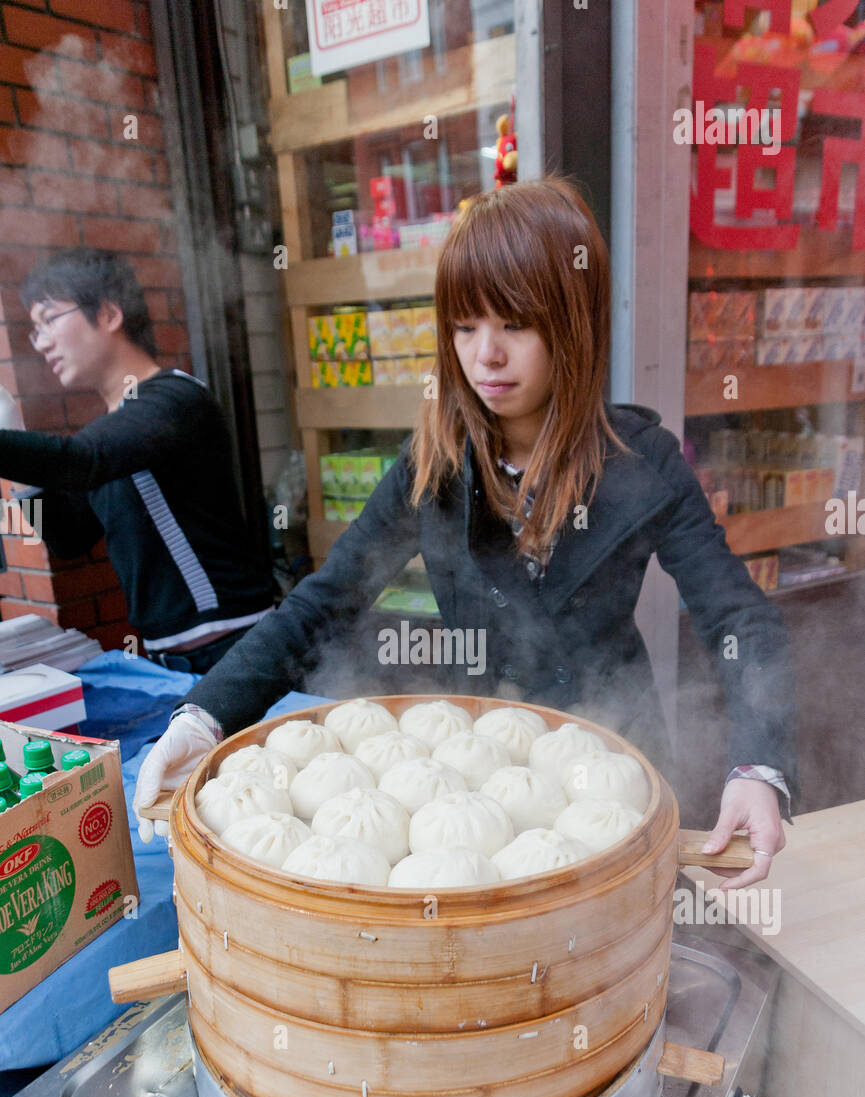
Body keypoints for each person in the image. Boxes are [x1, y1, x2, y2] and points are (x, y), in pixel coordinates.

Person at [133, 177, 796, 887]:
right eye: (464, 325)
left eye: (515, 324)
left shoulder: (639, 462)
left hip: (612, 767)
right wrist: (203, 717)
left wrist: (758, 767)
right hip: (469, 784)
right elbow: (322, 603)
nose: (486, 356)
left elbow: (738, 618)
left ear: (573, 324)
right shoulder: (433, 466)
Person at [0, 248, 274, 674]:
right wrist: (19, 476)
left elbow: (83, 459)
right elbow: (68, 538)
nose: (42, 343)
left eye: (49, 320)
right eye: (34, 331)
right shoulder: (111, 432)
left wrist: (9, 444)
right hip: (169, 661)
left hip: (239, 652)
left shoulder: (175, 399)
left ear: (109, 314)